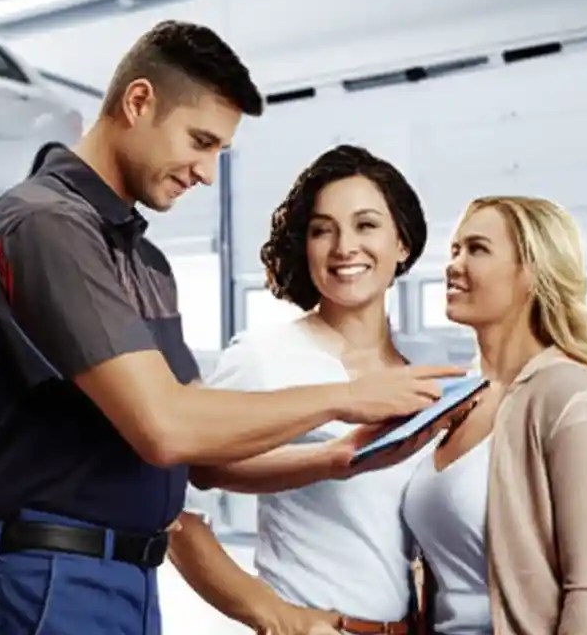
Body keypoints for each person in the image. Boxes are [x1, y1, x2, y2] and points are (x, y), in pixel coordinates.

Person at [0, 21, 465, 635]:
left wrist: (336, 458)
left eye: (219, 151)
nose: (207, 173)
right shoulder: (47, 227)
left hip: (121, 575)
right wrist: (348, 398)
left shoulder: (141, 260)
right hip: (49, 576)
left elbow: (195, 436)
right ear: (139, 102)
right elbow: (166, 429)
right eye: (200, 141)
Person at [168, 146, 474, 635]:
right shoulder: (263, 357)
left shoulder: (424, 378)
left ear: (403, 242)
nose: (343, 246)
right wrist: (272, 615)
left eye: (366, 225)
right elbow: (176, 511)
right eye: (321, 229)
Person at [402, 196, 587, 634]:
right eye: (454, 250)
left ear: (533, 273)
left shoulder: (567, 395)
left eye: (477, 249)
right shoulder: (460, 396)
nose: (454, 265)